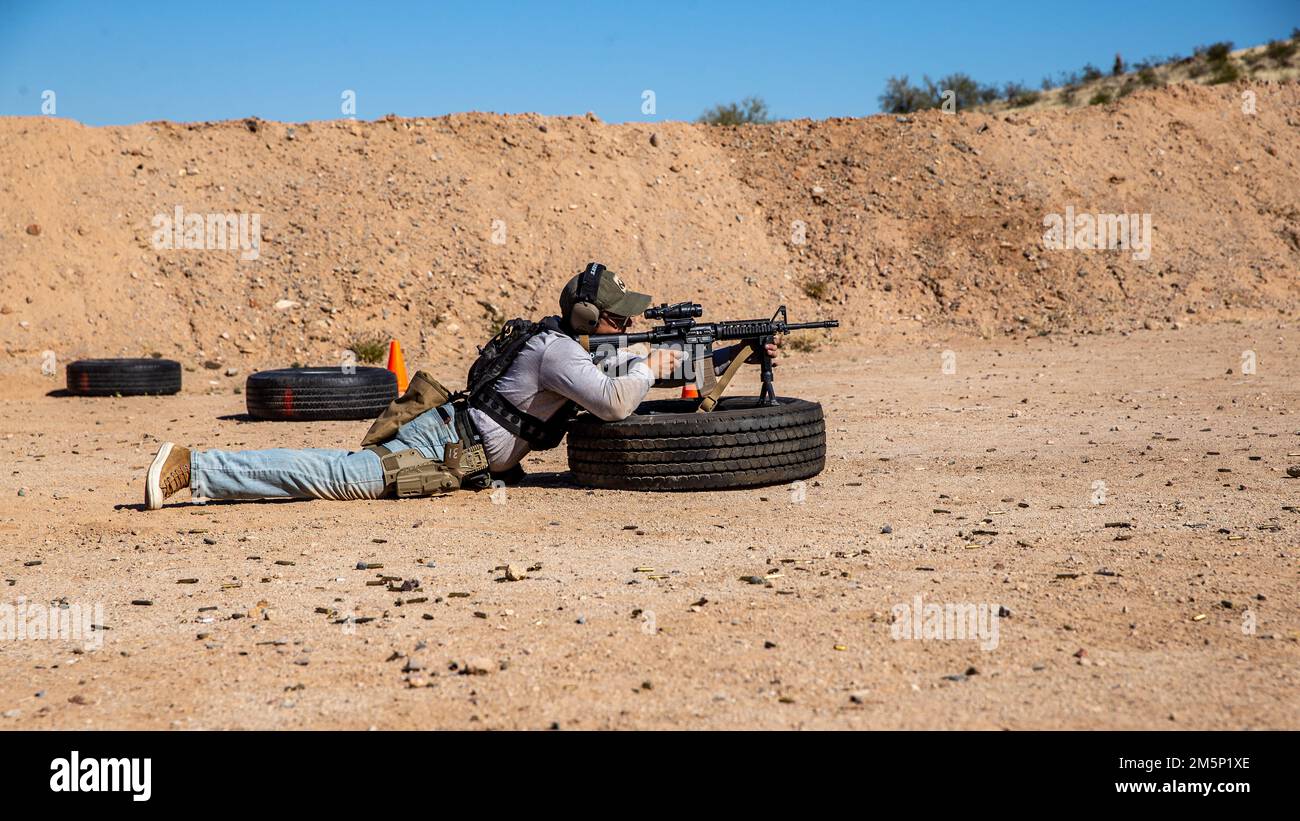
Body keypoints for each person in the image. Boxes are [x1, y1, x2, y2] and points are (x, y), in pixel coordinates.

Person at [143, 264, 777, 509]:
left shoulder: (575, 348)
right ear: (589, 318)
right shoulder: (559, 351)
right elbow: (616, 399)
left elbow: (654, 365)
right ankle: (195, 469)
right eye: (619, 318)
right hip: (438, 446)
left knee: (339, 478)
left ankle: (201, 471)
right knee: (336, 478)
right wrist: (645, 365)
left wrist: (734, 350)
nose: (629, 326)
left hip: (457, 448)